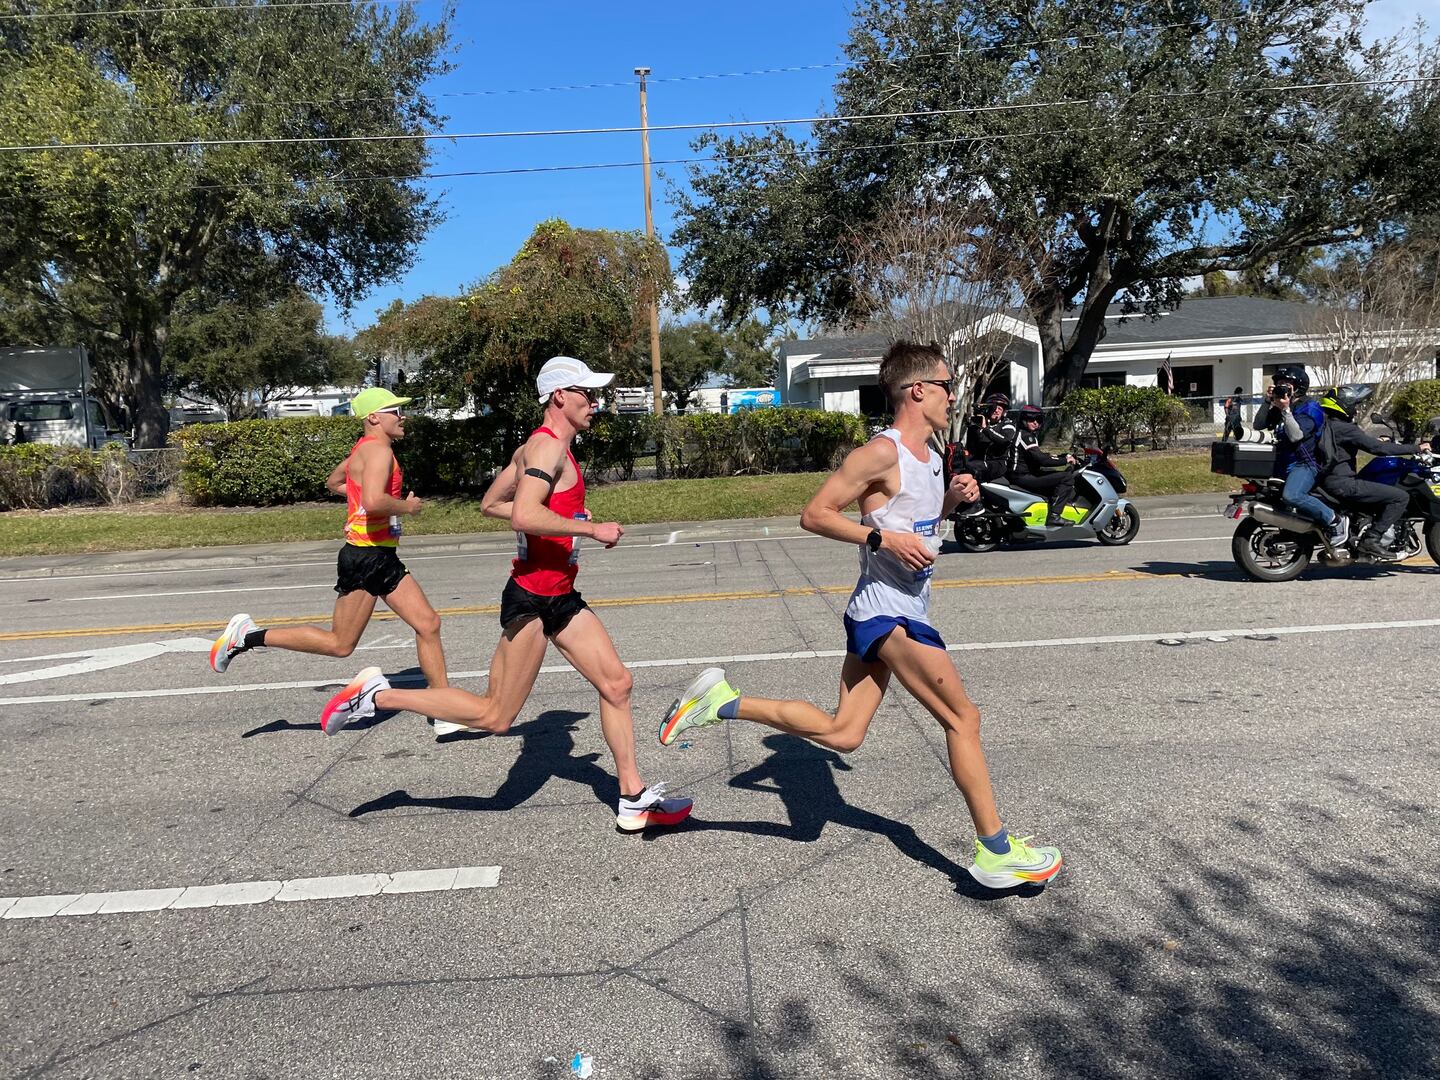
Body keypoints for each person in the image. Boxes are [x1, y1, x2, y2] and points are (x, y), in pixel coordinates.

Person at [657, 341, 1061, 890]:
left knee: (844, 733)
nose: (953, 395)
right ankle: (994, 851)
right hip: (886, 613)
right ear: (918, 390)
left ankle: (724, 702)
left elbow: (919, 530)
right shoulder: (881, 452)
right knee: (963, 718)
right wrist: (880, 536)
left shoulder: (931, 456)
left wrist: (950, 505)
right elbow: (814, 514)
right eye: (947, 386)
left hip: (899, 606)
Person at [318, 355, 694, 834]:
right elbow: (522, 516)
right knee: (496, 716)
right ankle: (381, 696)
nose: (595, 403)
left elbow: (492, 504)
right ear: (560, 396)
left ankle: (633, 798)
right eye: (587, 394)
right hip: (532, 600)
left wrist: (561, 522)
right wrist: (589, 527)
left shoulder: (537, 450)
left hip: (560, 595)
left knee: (616, 684)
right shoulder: (545, 450)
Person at [209, 387, 452, 712]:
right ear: (374, 417)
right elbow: (373, 500)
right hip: (367, 557)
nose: (402, 416)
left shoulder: (364, 449)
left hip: (379, 555)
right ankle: (246, 636)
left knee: (428, 624)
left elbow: (336, 482)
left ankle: (444, 707)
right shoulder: (378, 451)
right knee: (340, 644)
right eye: (395, 410)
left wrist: (357, 510)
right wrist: (408, 508)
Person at [1318, 384, 1430, 559]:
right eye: (1354, 404)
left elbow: (1365, 443)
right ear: (1343, 405)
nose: (1356, 409)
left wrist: (1381, 442)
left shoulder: (1331, 425)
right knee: (1400, 497)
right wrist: (1417, 447)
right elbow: (1378, 449)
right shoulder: (1347, 429)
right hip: (1343, 483)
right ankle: (1372, 539)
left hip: (1330, 480)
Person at [1252, 365, 1347, 546]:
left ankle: (1335, 520)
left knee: (1292, 496)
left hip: (1306, 463)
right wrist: (1267, 402)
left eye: (1286, 384)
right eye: (1279, 383)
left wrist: (1286, 411)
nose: (1282, 387)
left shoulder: (1311, 408)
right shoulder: (1281, 406)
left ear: (1298, 387)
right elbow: (1259, 425)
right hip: (1284, 462)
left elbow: (1296, 435)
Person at [1002, 404, 1078, 526]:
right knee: (1066, 477)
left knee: (1056, 474)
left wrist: (1061, 456)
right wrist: (1065, 460)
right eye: (1032, 419)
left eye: (1039, 420)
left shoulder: (1024, 434)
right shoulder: (1026, 436)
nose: (1035, 423)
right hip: (1022, 476)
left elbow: (1039, 455)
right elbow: (1041, 460)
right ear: (1024, 420)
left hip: (1023, 474)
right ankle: (1054, 515)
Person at [957, 392, 1012, 484]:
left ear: (1004, 412)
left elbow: (1004, 440)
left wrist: (985, 429)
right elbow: (973, 446)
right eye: (994, 408)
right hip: (983, 461)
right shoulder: (982, 423)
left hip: (999, 463)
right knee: (959, 464)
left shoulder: (1007, 424)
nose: (996, 411)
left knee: (972, 466)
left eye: (999, 408)